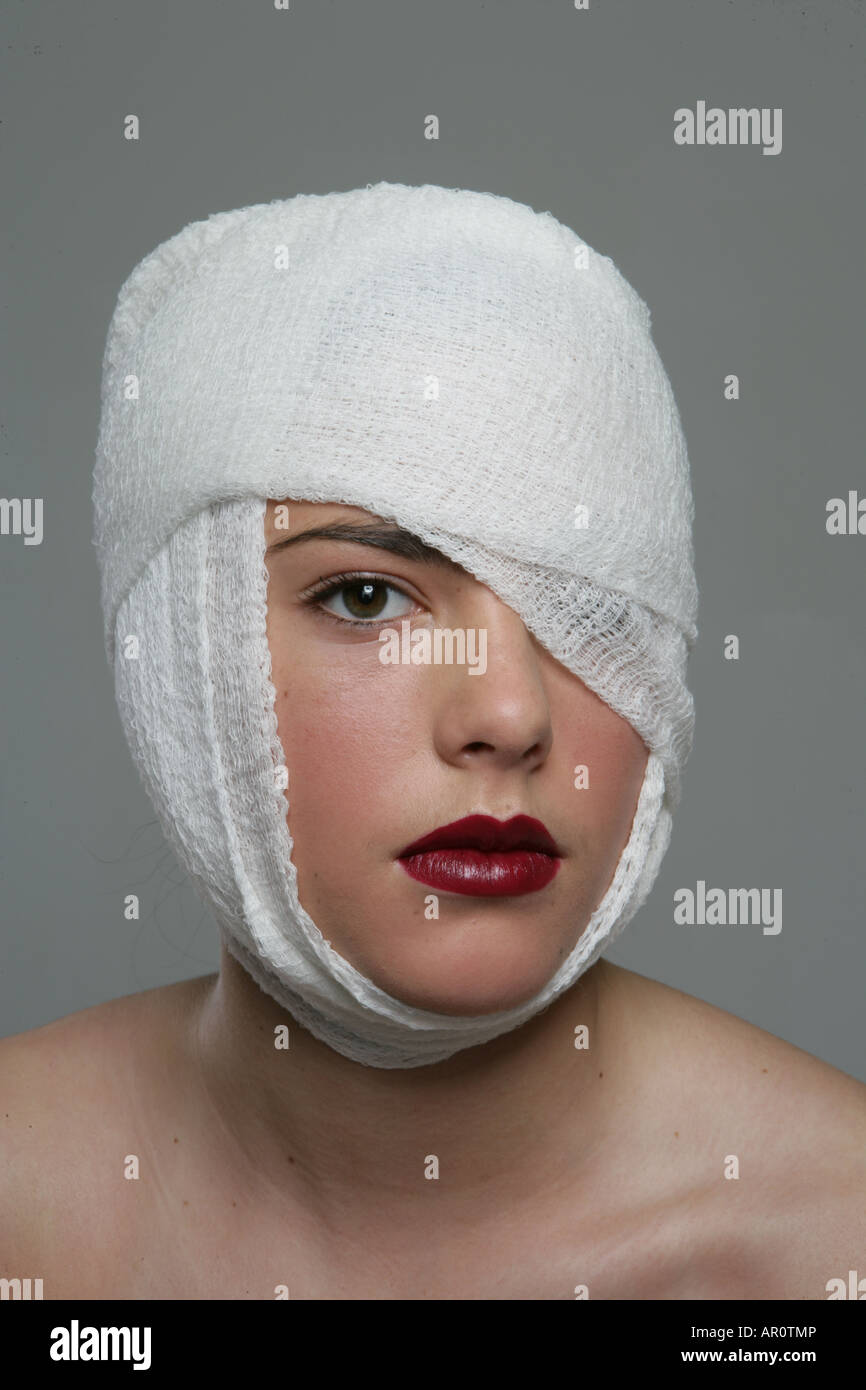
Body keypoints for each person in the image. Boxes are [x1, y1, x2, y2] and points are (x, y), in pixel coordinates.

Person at [1, 184, 863, 1301]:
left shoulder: (828, 1251)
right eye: (366, 596)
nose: (508, 717)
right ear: (179, 650)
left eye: (583, 612)